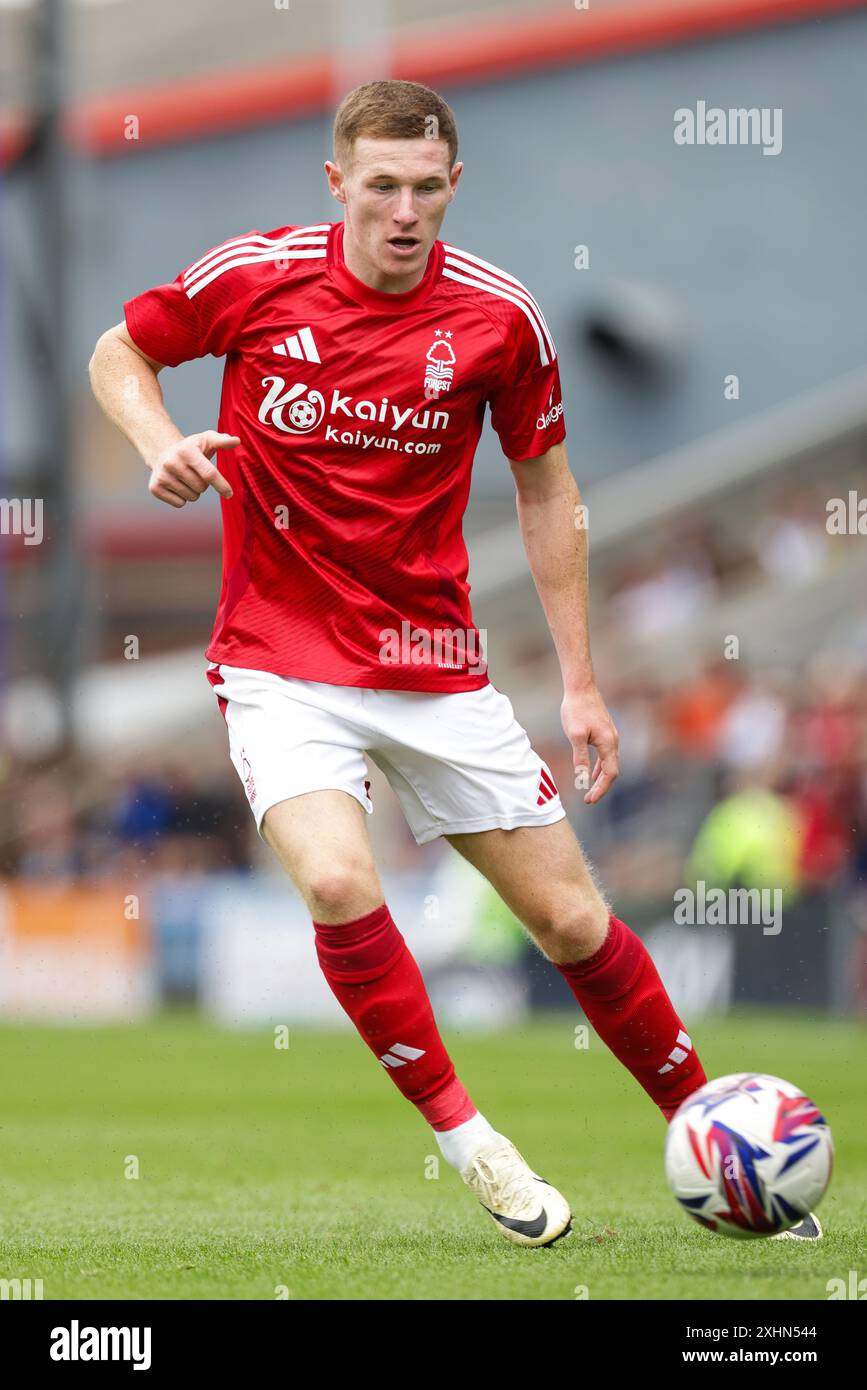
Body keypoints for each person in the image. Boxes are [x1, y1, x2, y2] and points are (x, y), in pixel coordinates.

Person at [89, 78, 713, 1248]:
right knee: (335, 881)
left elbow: (550, 493)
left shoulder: (499, 321)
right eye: (382, 186)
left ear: (454, 188)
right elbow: (120, 349)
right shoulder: (257, 275)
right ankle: (471, 1141)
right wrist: (159, 442)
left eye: (428, 188)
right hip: (277, 659)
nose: (405, 210)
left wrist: (579, 678)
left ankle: (716, 1140)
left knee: (574, 924)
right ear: (340, 185)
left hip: (433, 663)